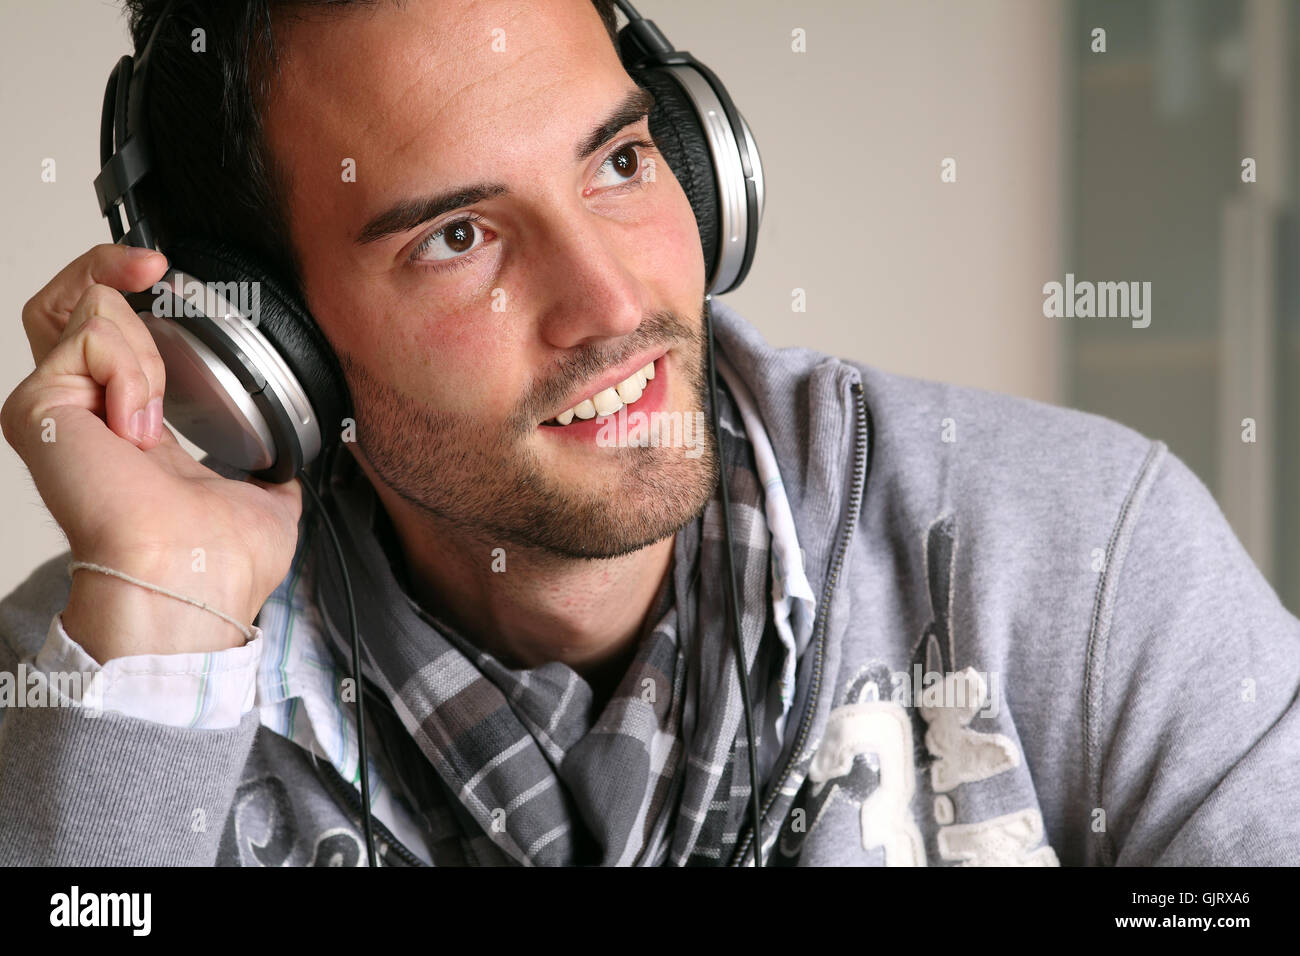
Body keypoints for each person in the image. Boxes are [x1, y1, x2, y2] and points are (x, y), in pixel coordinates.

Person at [2, 0, 1298, 867]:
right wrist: (155, 635)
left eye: (620, 161)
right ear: (258, 336)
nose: (614, 303)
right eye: (458, 236)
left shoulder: (1087, 557)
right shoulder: (89, 689)